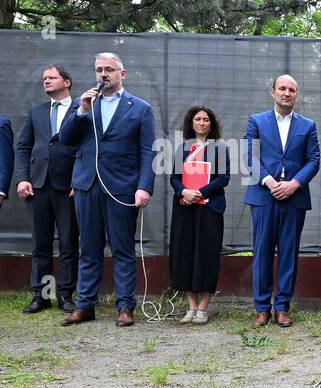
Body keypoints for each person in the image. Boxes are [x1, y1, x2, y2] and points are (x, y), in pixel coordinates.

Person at [58, 52, 157, 328]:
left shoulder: (140, 108)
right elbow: (65, 140)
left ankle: (125, 306)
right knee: (88, 248)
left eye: (109, 70)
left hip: (122, 188)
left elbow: (148, 152)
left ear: (121, 74)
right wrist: (81, 111)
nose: (104, 74)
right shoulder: (84, 103)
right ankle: (85, 305)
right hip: (87, 185)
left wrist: (144, 187)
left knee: (122, 249)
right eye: (99, 69)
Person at [244, 74, 320, 327]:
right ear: (273, 92)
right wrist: (269, 181)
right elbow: (249, 156)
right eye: (282, 89)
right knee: (262, 252)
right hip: (264, 196)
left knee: (289, 253)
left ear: (297, 95)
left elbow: (313, 160)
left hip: (294, 198)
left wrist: (294, 184)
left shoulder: (308, 125)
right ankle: (262, 308)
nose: (287, 93)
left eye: (292, 90)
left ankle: (283, 307)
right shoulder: (256, 121)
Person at [13, 65, 79, 314]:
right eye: (44, 79)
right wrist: (22, 179)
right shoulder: (36, 112)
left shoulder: (82, 109)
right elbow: (23, 147)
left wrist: (79, 181)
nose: (46, 81)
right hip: (37, 186)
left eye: (51, 78)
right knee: (40, 244)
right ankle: (40, 296)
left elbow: (87, 148)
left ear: (67, 82)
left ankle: (65, 295)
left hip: (69, 187)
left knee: (68, 243)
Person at [169, 105, 230, 324]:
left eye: (206, 120)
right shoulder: (182, 148)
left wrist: (199, 193)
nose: (202, 123)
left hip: (210, 208)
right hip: (185, 207)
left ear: (211, 124)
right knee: (184, 254)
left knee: (206, 255)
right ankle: (191, 307)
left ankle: (203, 308)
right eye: (198, 119)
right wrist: (183, 191)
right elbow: (174, 178)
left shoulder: (220, 148)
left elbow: (223, 178)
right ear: (191, 123)